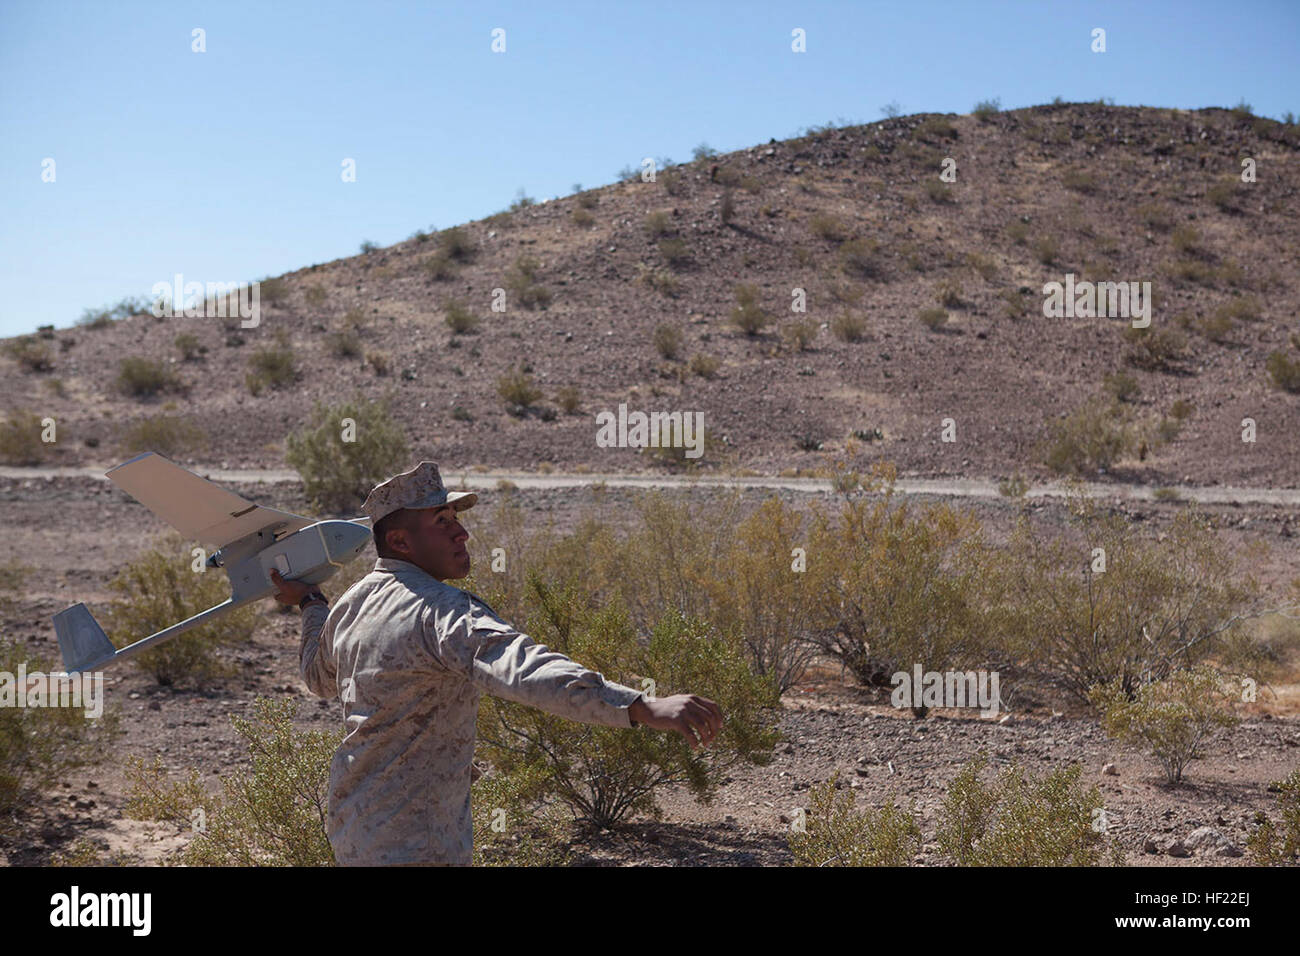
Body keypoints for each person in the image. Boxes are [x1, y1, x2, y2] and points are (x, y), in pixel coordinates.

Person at [269, 460, 724, 866]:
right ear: (400, 540)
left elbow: (317, 676)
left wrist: (311, 602)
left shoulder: (353, 604)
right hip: (417, 846)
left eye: (456, 520)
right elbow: (523, 668)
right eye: (441, 521)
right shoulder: (441, 610)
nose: (461, 533)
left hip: (355, 834)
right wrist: (638, 706)